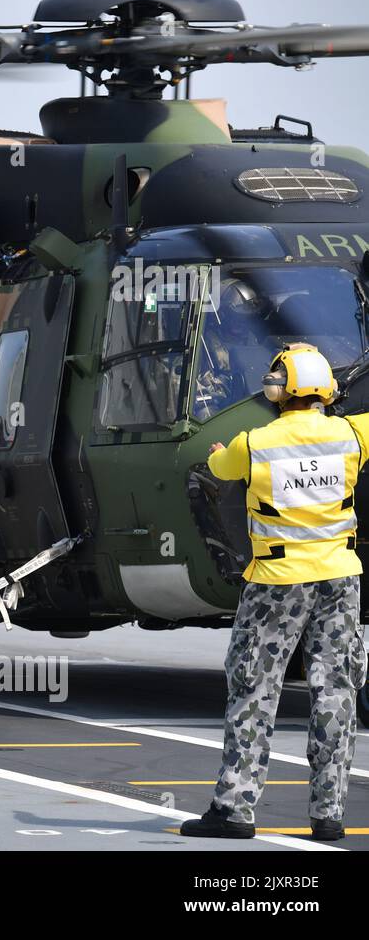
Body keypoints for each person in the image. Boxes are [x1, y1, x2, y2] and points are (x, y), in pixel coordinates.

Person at [181, 343, 367, 841]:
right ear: (326, 391)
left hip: (276, 584)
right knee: (335, 690)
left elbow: (217, 469)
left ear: (276, 391)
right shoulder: (353, 434)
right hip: (340, 577)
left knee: (253, 688)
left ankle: (235, 809)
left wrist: (223, 454)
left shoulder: (254, 443)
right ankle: (329, 815)